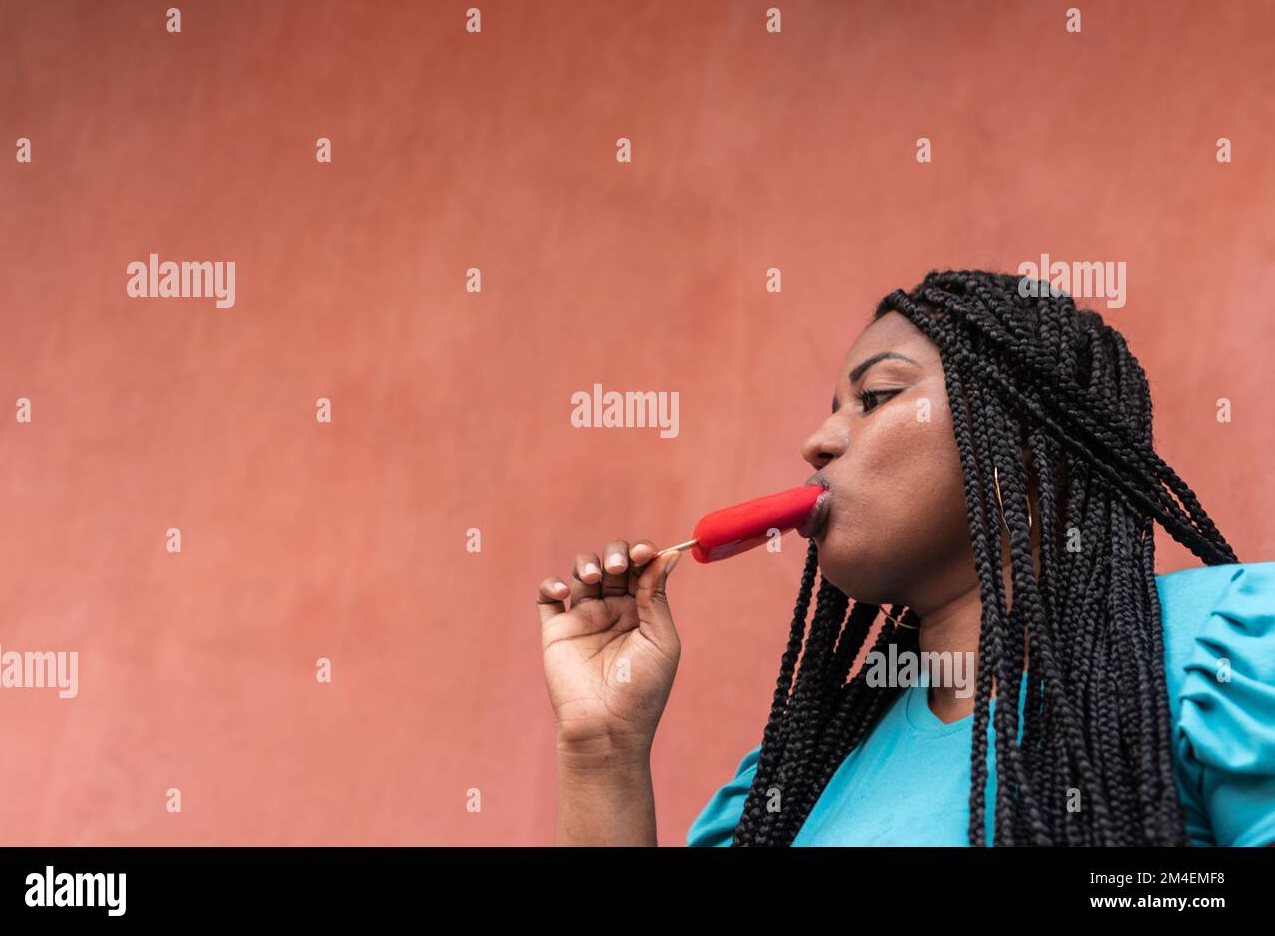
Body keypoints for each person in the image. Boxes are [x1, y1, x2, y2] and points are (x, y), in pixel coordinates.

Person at [535, 270, 1275, 846]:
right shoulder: (795, 778)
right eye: (832, 407)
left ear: (1019, 438)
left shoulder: (1226, 651)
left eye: (877, 396)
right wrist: (604, 747)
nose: (818, 440)